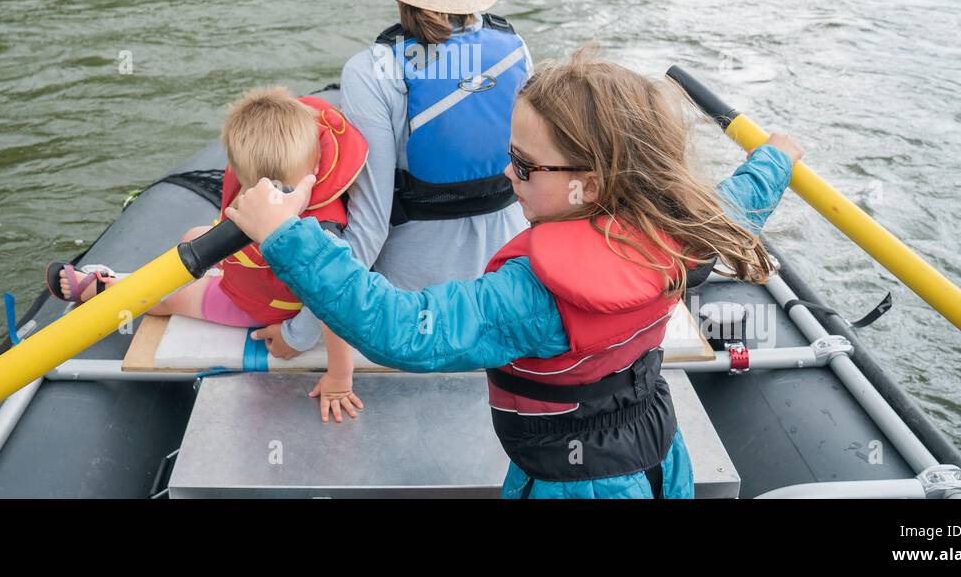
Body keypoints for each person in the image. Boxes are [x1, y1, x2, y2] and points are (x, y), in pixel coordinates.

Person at [225, 45, 803, 499]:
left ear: (592, 183)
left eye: (524, 165)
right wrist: (777, 156)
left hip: (569, 484)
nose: (506, 172)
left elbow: (400, 329)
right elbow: (742, 198)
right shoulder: (684, 230)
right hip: (656, 451)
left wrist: (286, 235)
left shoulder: (533, 295)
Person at [254, 0, 535, 389]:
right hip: (506, 283)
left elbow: (370, 228)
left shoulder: (372, 70)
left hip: (412, 303)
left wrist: (299, 335)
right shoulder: (516, 48)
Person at [47, 86, 369, 421]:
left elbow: (335, 305)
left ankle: (103, 290)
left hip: (260, 305)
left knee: (169, 298)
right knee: (193, 236)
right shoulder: (288, 173)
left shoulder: (323, 233)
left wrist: (339, 380)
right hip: (256, 274)